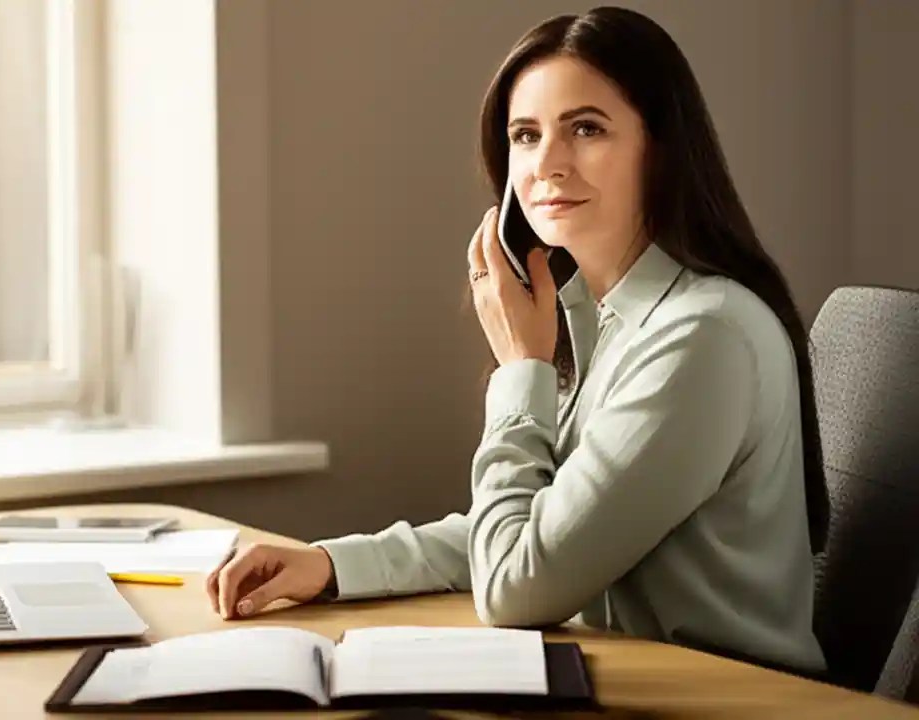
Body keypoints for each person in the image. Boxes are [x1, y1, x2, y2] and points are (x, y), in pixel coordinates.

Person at [205, 6, 828, 675]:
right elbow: (544, 528)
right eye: (525, 136)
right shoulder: (599, 316)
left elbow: (515, 586)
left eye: (586, 129)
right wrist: (332, 565)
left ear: (662, 146)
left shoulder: (702, 338)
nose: (547, 165)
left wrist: (523, 368)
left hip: (730, 703)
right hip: (629, 679)